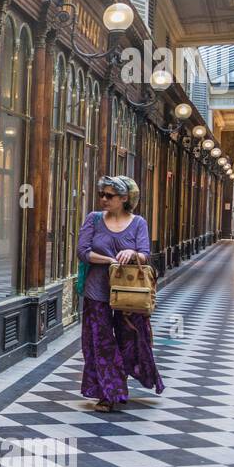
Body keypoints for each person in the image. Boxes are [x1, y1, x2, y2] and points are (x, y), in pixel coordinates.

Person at [77, 175, 165, 413]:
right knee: (101, 341)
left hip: (130, 291)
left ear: (125, 198)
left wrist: (133, 254)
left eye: (109, 195)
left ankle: (121, 379)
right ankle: (109, 392)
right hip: (97, 290)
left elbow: (145, 253)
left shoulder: (138, 223)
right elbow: (83, 251)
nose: (104, 199)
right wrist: (108, 260)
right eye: (101, 195)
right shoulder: (94, 219)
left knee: (131, 339)